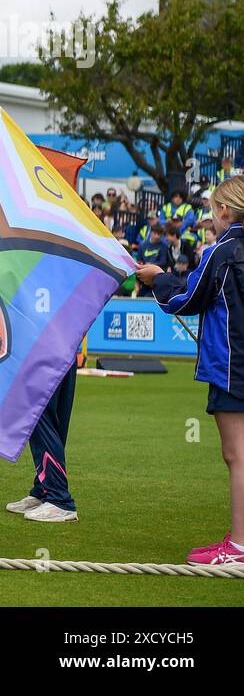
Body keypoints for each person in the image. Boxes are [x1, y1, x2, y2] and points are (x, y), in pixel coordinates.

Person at [137, 175, 244, 565]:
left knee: (237, 455)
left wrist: (156, 279)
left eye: (212, 211)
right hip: (235, 363)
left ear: (224, 211)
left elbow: (188, 298)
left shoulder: (224, 250)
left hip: (232, 366)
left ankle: (239, 547)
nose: (210, 220)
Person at [6, 350, 82, 523]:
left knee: (39, 418)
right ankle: (45, 490)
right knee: (52, 422)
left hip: (49, 351)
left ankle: (59, 499)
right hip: (60, 350)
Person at [134, 224, 171, 296]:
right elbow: (139, 260)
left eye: (159, 234)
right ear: (151, 233)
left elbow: (163, 262)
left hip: (156, 275)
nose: (157, 236)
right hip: (144, 275)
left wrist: (150, 265)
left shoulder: (164, 246)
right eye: (155, 233)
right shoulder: (142, 245)